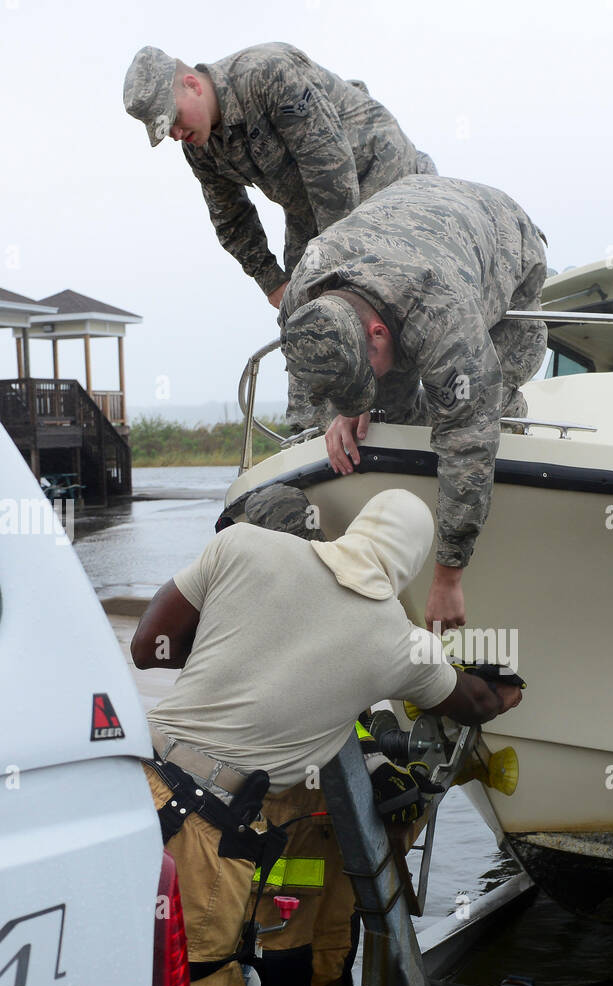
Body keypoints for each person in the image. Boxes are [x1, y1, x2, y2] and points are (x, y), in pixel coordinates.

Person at [131, 487, 522, 986]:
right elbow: (476, 703)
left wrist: (242, 650)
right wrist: (505, 691)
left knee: (108, 952)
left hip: (127, 781)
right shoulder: (398, 642)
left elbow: (149, 648)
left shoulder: (240, 546)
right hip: (209, 830)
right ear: (411, 564)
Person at [278, 175, 549, 631]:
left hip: (502, 236)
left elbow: (467, 443)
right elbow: (312, 375)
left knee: (488, 397)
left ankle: (511, 415)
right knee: (392, 412)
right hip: (401, 220)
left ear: (378, 335)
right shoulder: (304, 292)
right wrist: (347, 404)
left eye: (366, 369)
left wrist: (446, 576)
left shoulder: (444, 313)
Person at [122, 43, 436, 310]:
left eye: (174, 118)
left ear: (192, 84)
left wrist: (334, 271)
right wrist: (273, 281)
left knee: (382, 308)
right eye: (165, 130)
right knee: (303, 313)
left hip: (381, 179)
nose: (175, 133)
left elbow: (329, 168)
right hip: (311, 207)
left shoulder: (265, 74)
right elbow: (230, 218)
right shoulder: (199, 145)